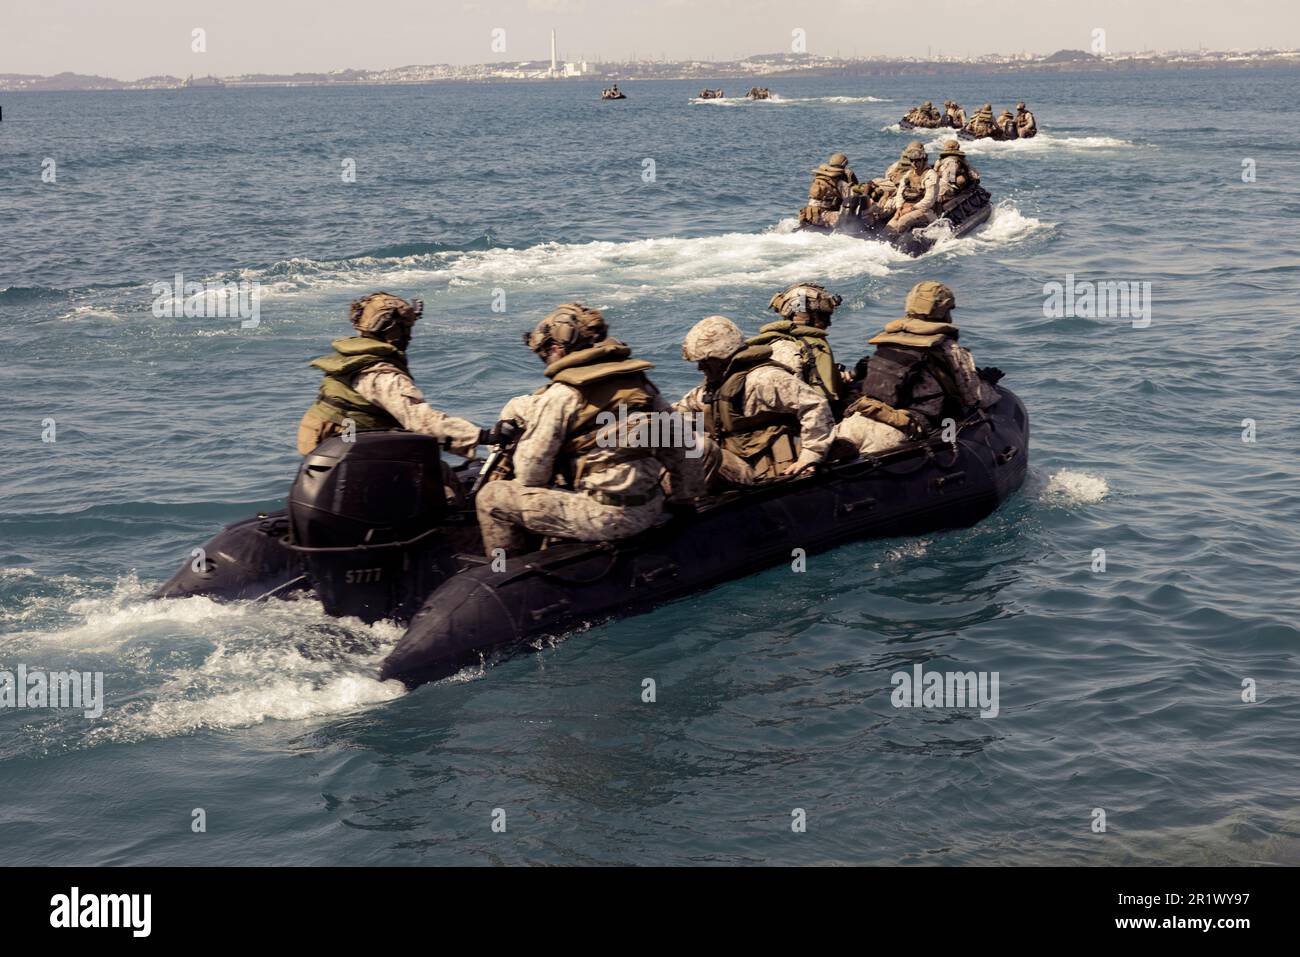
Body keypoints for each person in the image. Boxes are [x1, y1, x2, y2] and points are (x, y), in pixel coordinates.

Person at [475, 304, 705, 557]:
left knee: (492, 497)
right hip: (649, 509)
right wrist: (684, 501)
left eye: (543, 354)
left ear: (556, 349)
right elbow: (685, 447)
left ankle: (506, 574)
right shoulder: (639, 384)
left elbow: (532, 476)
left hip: (603, 517)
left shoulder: (563, 394)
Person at [295, 292, 485, 458]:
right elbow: (422, 421)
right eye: (406, 328)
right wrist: (480, 436)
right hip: (355, 456)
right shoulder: (382, 374)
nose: (409, 336)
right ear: (392, 330)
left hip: (329, 452)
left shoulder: (350, 358)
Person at [676, 316, 834, 486]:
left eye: (705, 361)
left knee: (701, 447)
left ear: (723, 356)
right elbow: (681, 412)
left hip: (765, 472)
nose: (700, 368)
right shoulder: (711, 389)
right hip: (738, 464)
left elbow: (815, 405)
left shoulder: (764, 379)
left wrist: (810, 456)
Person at [852, 281, 982, 430]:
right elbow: (973, 399)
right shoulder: (949, 348)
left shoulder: (888, 340)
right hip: (911, 422)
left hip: (869, 411)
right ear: (943, 311)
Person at [751, 282, 847, 412]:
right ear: (809, 317)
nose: (829, 323)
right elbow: (826, 399)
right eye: (824, 317)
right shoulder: (816, 346)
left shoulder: (767, 342)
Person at [885, 142, 939, 235]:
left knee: (903, 221)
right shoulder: (909, 174)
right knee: (889, 227)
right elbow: (900, 193)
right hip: (906, 208)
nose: (914, 163)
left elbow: (929, 200)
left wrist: (911, 209)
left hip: (925, 210)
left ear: (923, 160)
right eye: (912, 160)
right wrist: (898, 209)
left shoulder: (930, 175)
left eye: (917, 160)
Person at [799, 152, 858, 228]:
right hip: (824, 215)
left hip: (809, 214)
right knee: (850, 218)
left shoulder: (818, 179)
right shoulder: (839, 183)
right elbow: (852, 198)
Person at [935, 139, 981, 203]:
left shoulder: (939, 161)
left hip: (937, 189)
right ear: (958, 148)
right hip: (951, 191)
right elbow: (975, 176)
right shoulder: (961, 161)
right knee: (961, 179)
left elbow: (935, 173)